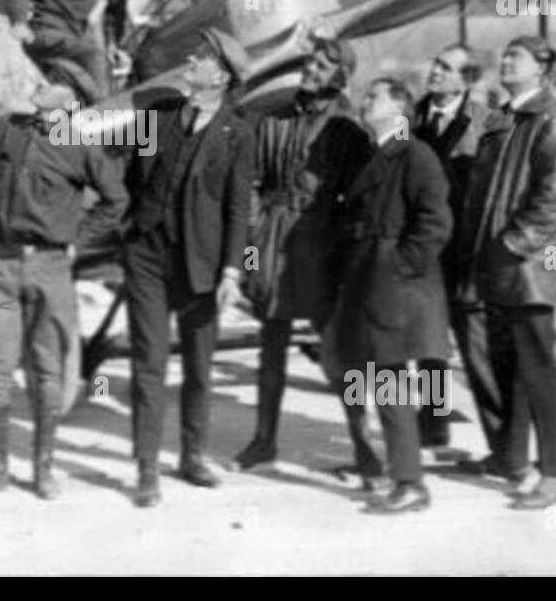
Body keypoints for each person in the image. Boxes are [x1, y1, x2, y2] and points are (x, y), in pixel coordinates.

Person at [0, 75, 127, 503]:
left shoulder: (81, 146)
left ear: (69, 107)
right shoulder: (4, 130)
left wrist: (77, 240)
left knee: (47, 371)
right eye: (40, 101)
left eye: (52, 99)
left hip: (50, 268)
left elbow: (115, 200)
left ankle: (43, 468)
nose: (41, 106)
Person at [122, 28, 254, 507]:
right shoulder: (157, 116)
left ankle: (192, 455)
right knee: (149, 363)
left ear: (219, 76)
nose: (191, 61)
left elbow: (240, 209)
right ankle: (146, 468)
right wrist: (125, 225)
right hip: (147, 256)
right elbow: (125, 172)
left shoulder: (237, 132)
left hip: (201, 263)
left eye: (200, 58)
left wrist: (232, 272)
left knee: (199, 368)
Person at [453, 35, 556, 509]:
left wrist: (510, 244)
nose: (505, 60)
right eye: (504, 54)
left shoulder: (550, 122)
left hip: (528, 269)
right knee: (509, 368)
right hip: (503, 268)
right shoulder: (507, 120)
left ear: (541, 68)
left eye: (517, 56)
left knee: (539, 371)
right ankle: (512, 460)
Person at [230, 37, 369, 471]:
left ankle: (364, 445)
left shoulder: (347, 130)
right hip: (273, 241)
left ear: (340, 78)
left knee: (339, 355)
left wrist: (344, 254)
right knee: (271, 346)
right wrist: (254, 236)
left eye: (325, 65)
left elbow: (359, 197)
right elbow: (250, 184)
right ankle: (263, 440)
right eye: (312, 60)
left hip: (321, 247)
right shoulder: (273, 119)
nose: (313, 68)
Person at [330, 77, 453, 513]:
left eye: (375, 96)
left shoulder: (415, 154)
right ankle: (397, 474)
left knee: (391, 384)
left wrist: (398, 266)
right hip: (371, 281)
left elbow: (436, 221)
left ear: (400, 107)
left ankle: (410, 483)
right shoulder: (378, 153)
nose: (365, 102)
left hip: (393, 286)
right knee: (382, 384)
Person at [410, 44, 499, 457]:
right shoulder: (414, 117)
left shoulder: (484, 124)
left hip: (466, 257)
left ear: (467, 80)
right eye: (436, 63)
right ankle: (433, 429)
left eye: (447, 68)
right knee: (430, 347)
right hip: (427, 255)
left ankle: (504, 445)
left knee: (476, 350)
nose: (436, 72)